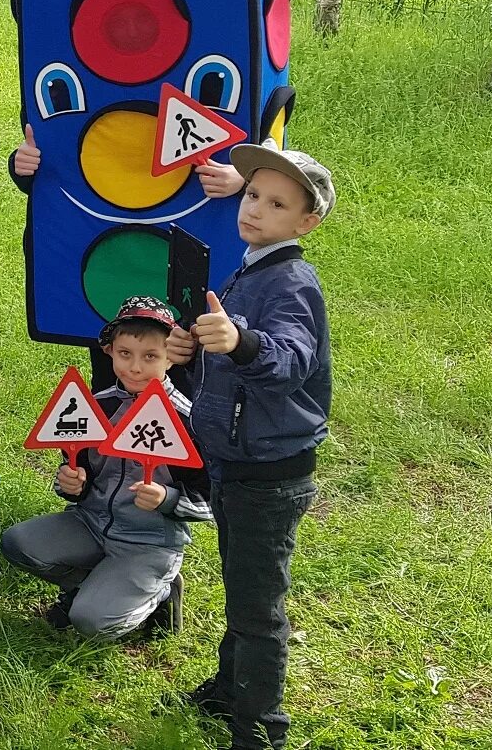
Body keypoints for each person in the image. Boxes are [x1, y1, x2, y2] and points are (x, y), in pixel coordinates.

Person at [166, 142, 335, 750]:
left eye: (277, 203)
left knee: (259, 606)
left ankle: (259, 728)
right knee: (242, 581)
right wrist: (198, 344)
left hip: (270, 470)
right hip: (236, 460)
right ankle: (230, 687)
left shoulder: (291, 282)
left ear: (306, 222)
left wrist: (239, 342)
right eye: (253, 194)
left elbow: (289, 358)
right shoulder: (253, 265)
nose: (255, 209)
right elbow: (230, 353)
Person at [0, 297, 212, 641]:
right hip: (90, 523)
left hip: (149, 543)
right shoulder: (97, 406)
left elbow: (212, 500)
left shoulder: (190, 421)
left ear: (171, 357)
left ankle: (161, 591)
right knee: (16, 544)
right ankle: (94, 583)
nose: (136, 368)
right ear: (110, 351)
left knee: (92, 623)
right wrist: (72, 483)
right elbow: (77, 469)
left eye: (150, 357)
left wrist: (167, 499)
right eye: (125, 354)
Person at [8, 124, 244, 388]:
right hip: (111, 265)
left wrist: (245, 178)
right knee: (114, 369)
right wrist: (24, 165)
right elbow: (60, 158)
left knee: (184, 369)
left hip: (184, 258)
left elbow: (278, 171)